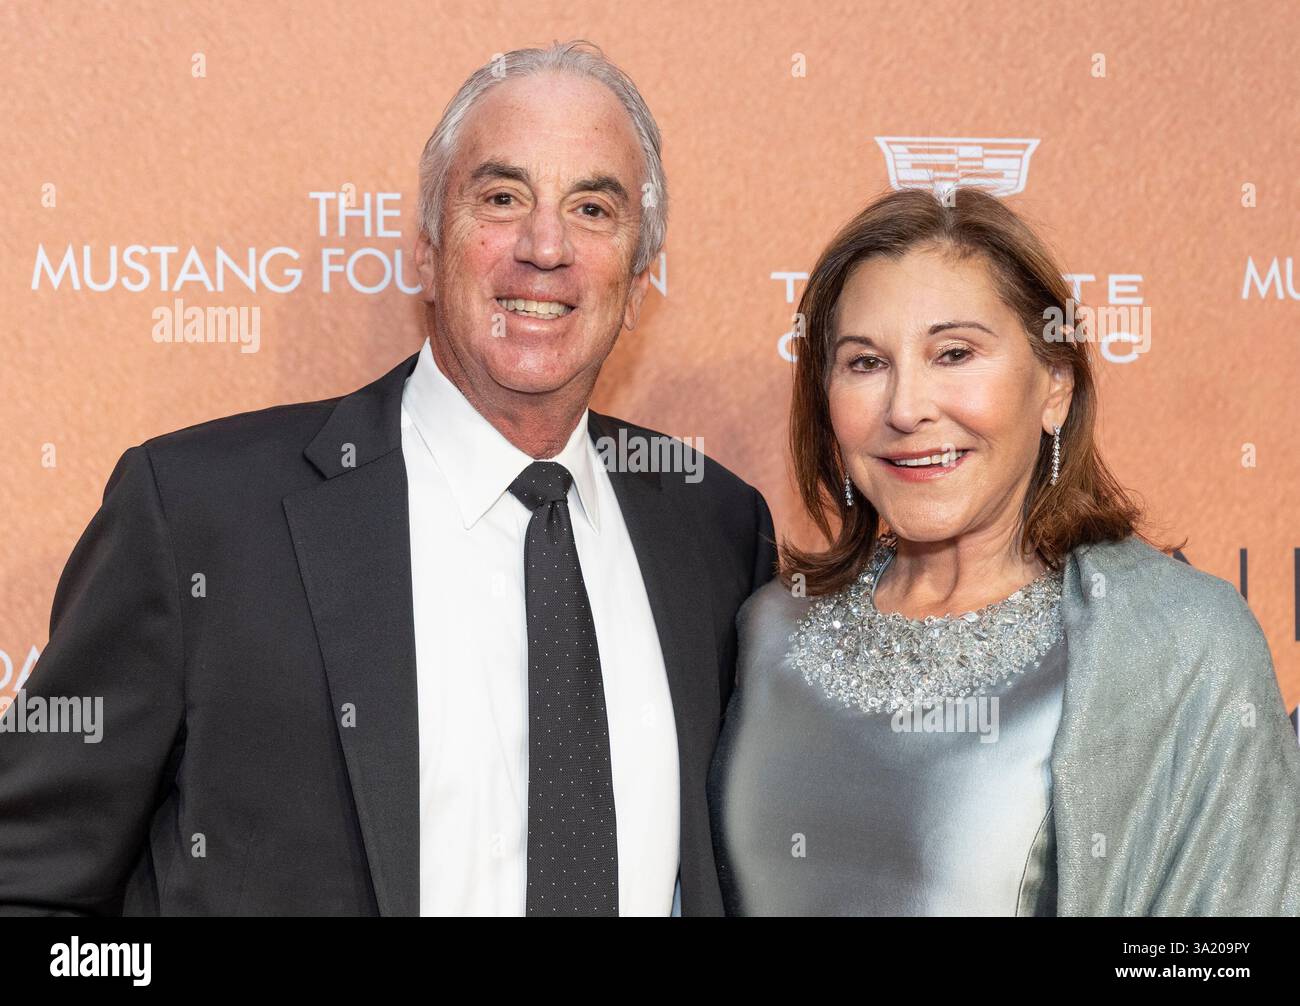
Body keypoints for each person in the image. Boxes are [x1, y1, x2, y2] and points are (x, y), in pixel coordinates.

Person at [0, 41, 776, 917]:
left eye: (593, 207)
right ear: (426, 247)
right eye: (501, 196)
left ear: (637, 281)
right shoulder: (196, 516)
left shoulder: (716, 530)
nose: (545, 245)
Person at [707, 186, 1300, 916]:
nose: (905, 407)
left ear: (1055, 385)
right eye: (865, 363)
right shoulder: (771, 630)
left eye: (954, 353)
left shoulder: (1175, 642)